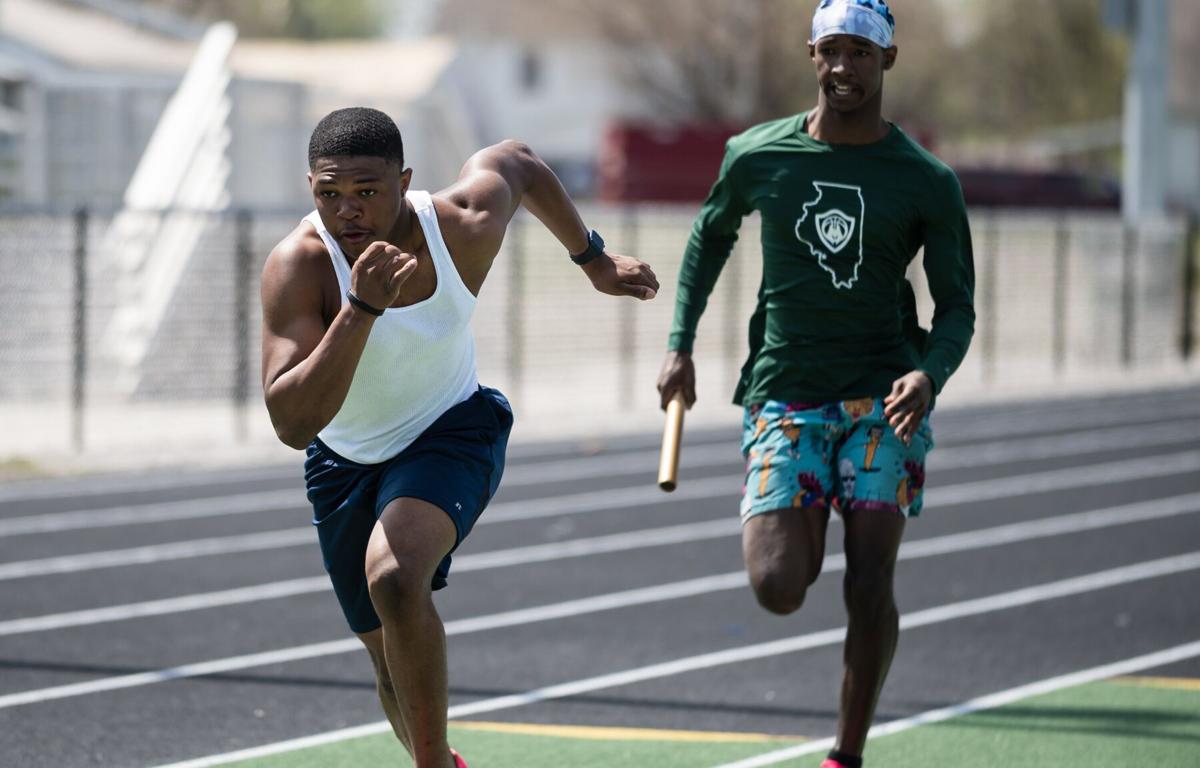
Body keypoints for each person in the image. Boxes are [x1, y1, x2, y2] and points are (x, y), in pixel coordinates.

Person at [261, 107, 658, 768]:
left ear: (404, 180)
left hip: (452, 429)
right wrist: (360, 310)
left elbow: (519, 162)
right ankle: (441, 760)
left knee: (394, 578)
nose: (349, 212)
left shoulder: (461, 225)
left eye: (367, 192)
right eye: (330, 195)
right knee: (388, 662)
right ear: (310, 189)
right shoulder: (300, 265)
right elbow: (291, 425)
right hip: (343, 461)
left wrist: (593, 259)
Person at [655, 2, 975, 767]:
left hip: (882, 402)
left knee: (870, 578)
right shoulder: (756, 154)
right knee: (778, 583)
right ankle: (813, 497)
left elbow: (958, 306)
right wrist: (680, 344)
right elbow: (710, 236)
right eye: (832, 51)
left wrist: (929, 375)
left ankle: (847, 753)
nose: (845, 68)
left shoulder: (926, 180)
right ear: (812, 55)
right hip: (787, 392)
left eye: (861, 53)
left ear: (887, 61)